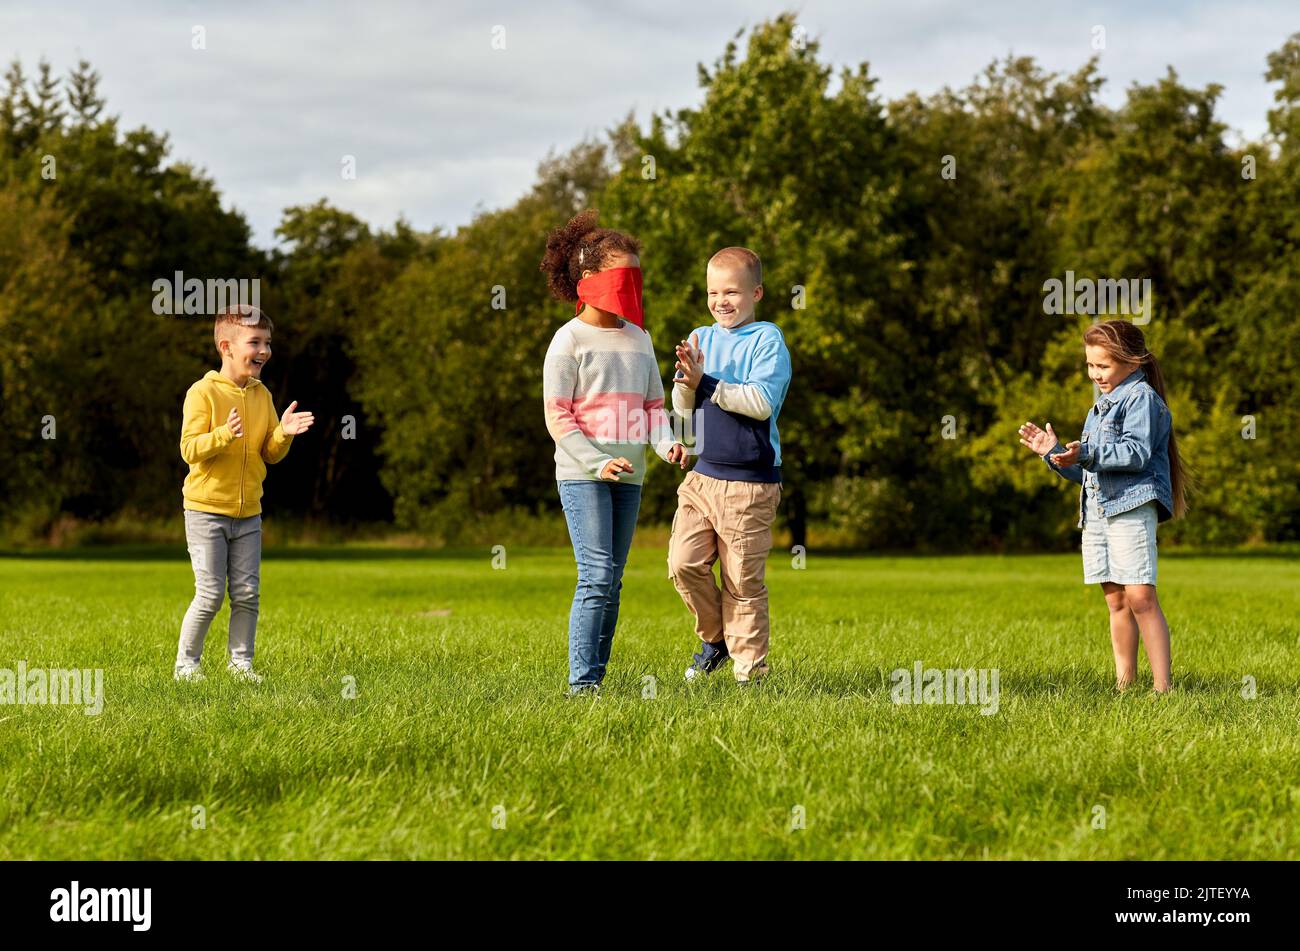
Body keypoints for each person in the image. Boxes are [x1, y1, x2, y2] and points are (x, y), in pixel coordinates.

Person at [539, 210, 687, 695]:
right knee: (597, 574)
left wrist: (667, 445)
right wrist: (597, 460)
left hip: (632, 476)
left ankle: (596, 681)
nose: (631, 286)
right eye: (623, 275)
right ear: (589, 279)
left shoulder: (639, 338)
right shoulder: (569, 340)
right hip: (583, 474)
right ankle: (582, 688)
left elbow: (651, 408)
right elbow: (558, 417)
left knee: (613, 579)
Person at [1018, 318, 1188, 692]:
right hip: (1097, 512)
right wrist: (1055, 455)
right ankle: (1124, 685)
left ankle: (1164, 688)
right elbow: (1090, 474)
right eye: (1090, 365)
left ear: (1133, 361)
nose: (1095, 374)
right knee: (1116, 600)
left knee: (1141, 597)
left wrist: (1088, 453)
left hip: (1130, 508)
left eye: (1103, 366)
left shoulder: (1142, 399)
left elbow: (1136, 453)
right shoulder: (1100, 407)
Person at [669, 247, 791, 684]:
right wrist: (685, 389)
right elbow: (683, 406)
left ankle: (750, 675)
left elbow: (759, 403)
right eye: (713, 292)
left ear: (755, 292)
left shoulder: (766, 339)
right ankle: (716, 640)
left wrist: (708, 382)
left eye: (732, 292)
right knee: (683, 563)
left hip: (750, 483)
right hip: (703, 475)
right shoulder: (700, 336)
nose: (721, 301)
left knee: (742, 582)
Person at [174, 304, 314, 682]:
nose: (264, 350)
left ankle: (241, 665)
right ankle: (187, 665)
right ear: (227, 347)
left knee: (248, 594)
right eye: (255, 342)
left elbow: (270, 453)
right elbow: (189, 450)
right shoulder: (202, 393)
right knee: (210, 595)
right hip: (205, 510)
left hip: (249, 512)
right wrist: (222, 435)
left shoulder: (261, 395)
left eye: (267, 343)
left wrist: (282, 433)